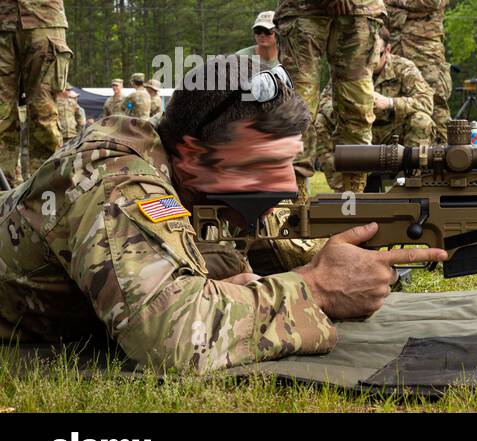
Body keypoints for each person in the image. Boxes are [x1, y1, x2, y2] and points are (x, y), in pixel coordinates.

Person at [0, 55, 448, 372]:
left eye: (288, 163)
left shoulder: (211, 178)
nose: (287, 185)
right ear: (193, 154)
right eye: (265, 165)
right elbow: (169, 337)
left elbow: (286, 247)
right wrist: (317, 290)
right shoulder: (117, 180)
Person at [276, 0, 384, 203]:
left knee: (357, 104)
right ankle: (294, 197)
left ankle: (353, 197)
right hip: (303, 10)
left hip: (359, 9)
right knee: (298, 106)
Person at [315, 28, 434, 193]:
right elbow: (324, 102)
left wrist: (390, 103)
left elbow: (426, 102)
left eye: (374, 54)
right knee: (319, 122)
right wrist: (348, 109)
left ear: (388, 50)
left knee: (422, 120)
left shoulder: (404, 68)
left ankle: (410, 184)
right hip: (357, 133)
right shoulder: (351, 69)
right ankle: (344, 188)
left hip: (392, 136)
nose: (369, 61)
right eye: (365, 54)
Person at [1, 0, 73, 185]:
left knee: (44, 115)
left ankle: (45, 194)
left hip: (44, 19)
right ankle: (4, 194)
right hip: (3, 21)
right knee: (1, 117)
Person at [387, 0, 450, 143]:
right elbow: (381, 7)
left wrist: (397, 7)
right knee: (398, 102)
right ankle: (405, 157)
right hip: (395, 48)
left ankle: (445, 157)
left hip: (425, 52)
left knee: (435, 103)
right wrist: (409, 12)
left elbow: (431, 3)